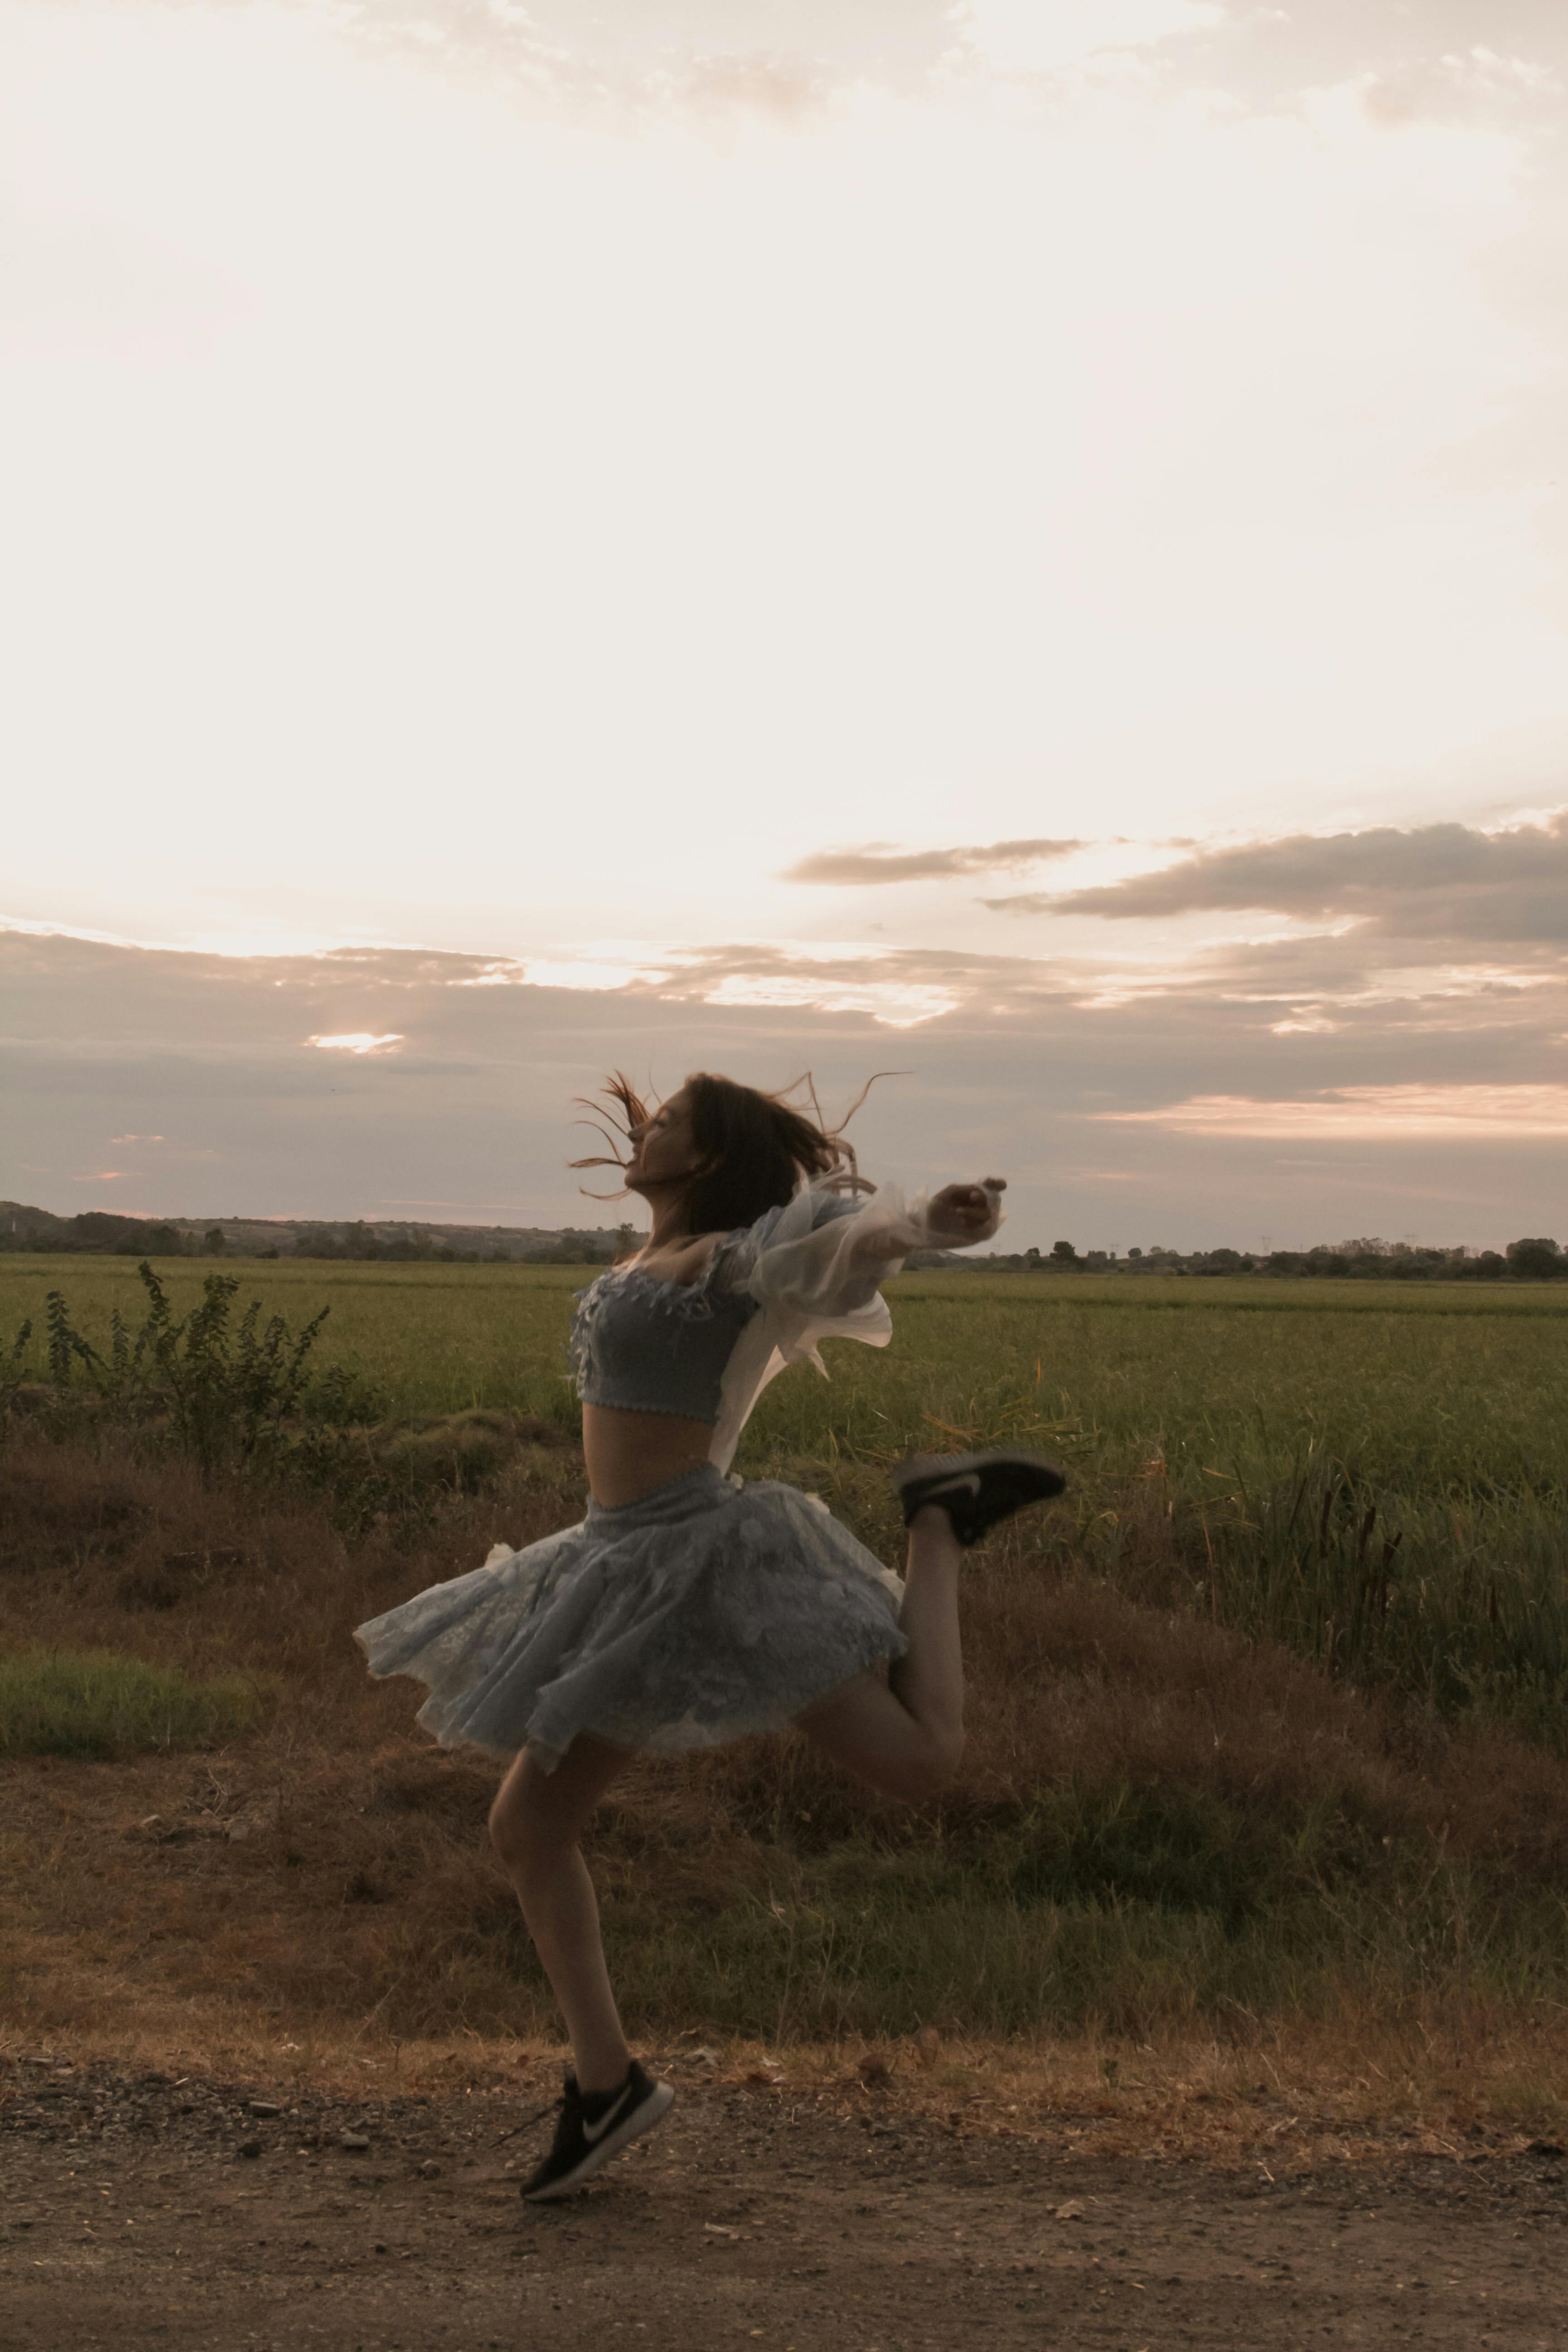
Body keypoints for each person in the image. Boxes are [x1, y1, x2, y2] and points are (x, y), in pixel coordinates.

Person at [355, 1072, 1064, 2202]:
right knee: (530, 1828)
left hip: (703, 1562)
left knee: (922, 1764)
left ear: (711, 1152)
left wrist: (936, 1217)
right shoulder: (640, 1262)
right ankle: (607, 2088)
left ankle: (940, 1518)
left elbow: (855, 1241)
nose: (643, 1132)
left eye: (668, 1123)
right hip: (615, 1561)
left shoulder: (750, 1260)